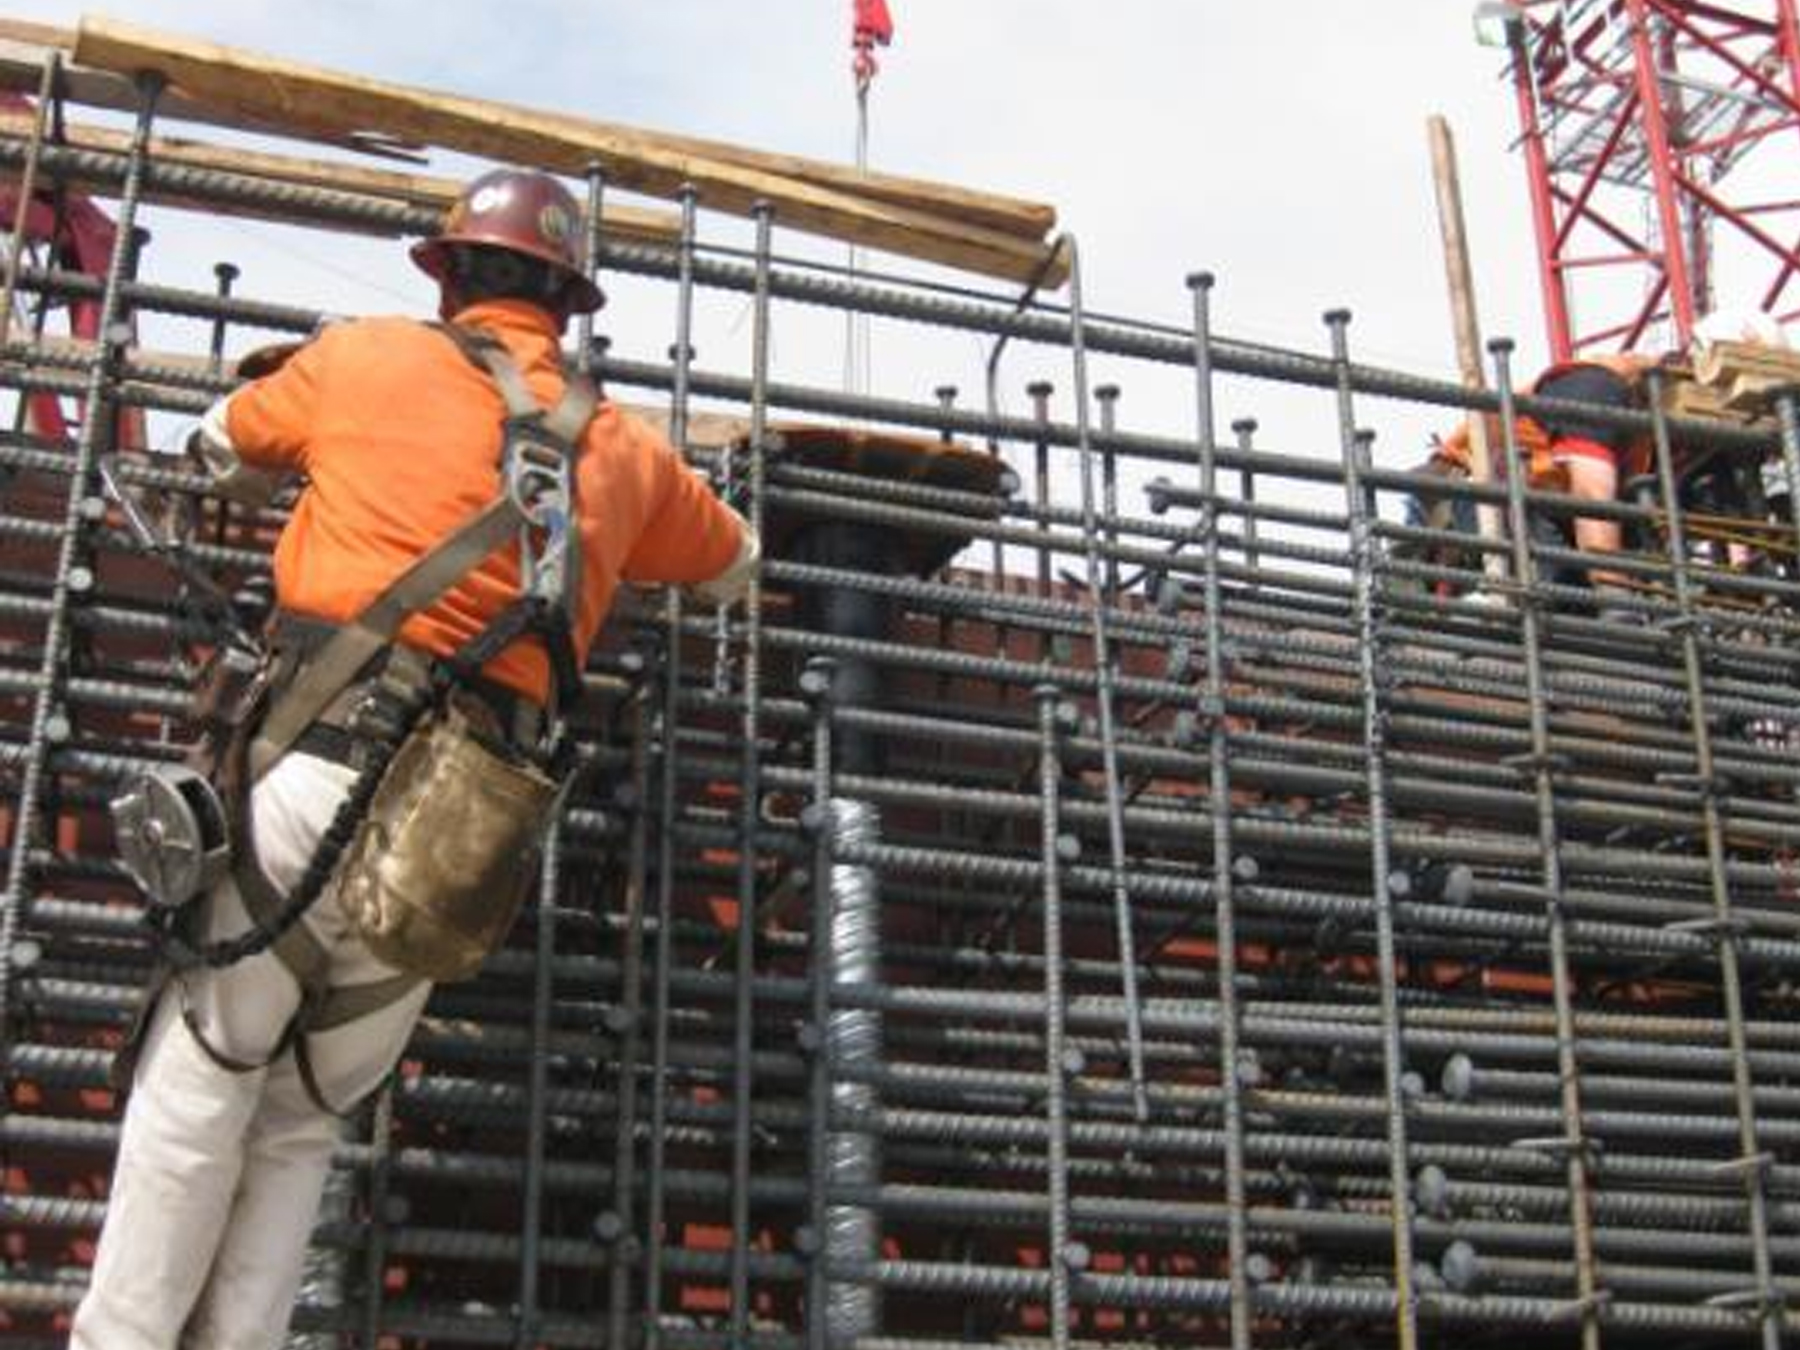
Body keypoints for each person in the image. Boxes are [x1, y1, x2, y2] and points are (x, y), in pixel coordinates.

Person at [72, 167, 757, 1350]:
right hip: (459, 834)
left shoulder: (369, 356)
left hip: (307, 771)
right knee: (298, 1126)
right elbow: (736, 557)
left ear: (448, 275)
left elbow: (219, 438)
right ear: (568, 301)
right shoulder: (623, 449)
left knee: (199, 1087)